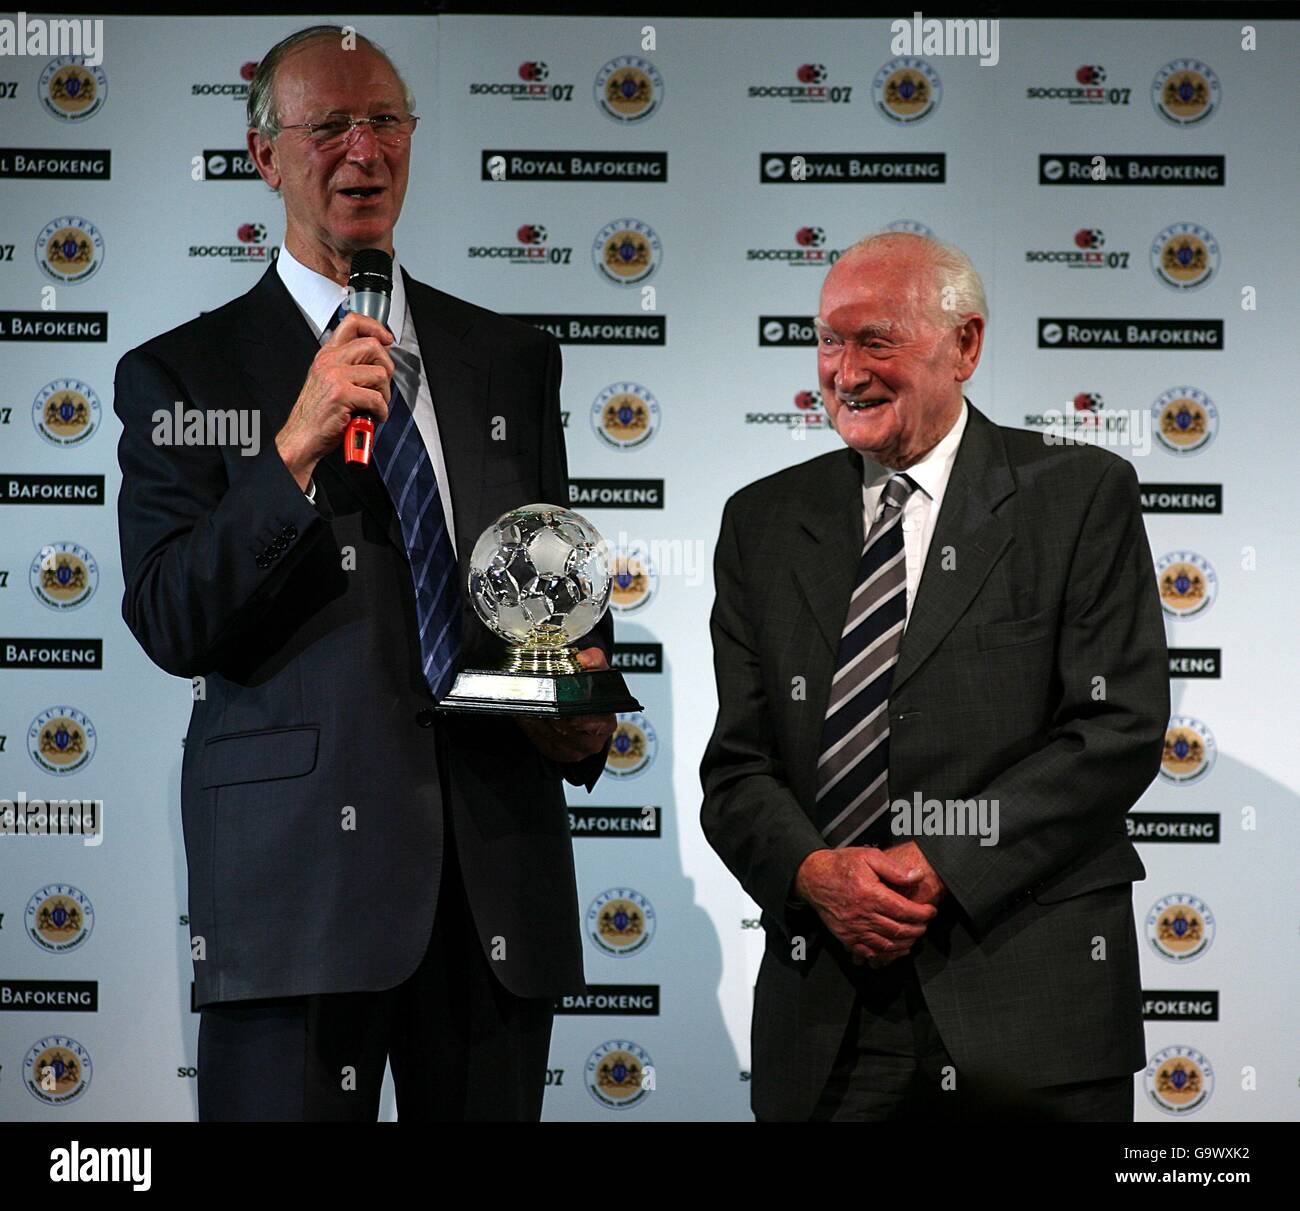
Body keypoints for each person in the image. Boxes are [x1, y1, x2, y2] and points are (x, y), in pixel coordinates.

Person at [114, 25, 615, 1121]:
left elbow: (553, 593)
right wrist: (293, 447)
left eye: (385, 121)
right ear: (265, 156)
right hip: (295, 894)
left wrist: (577, 701)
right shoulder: (181, 372)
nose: (363, 149)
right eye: (330, 126)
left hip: (493, 882)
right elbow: (169, 614)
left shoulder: (510, 360)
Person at [699, 230, 1169, 1122]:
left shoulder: (1077, 493)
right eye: (828, 340)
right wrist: (814, 871)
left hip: (1028, 1003)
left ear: (966, 345)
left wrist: (944, 859)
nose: (845, 371)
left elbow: (1116, 729)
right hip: (828, 1015)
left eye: (876, 340)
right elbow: (738, 768)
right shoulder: (761, 520)